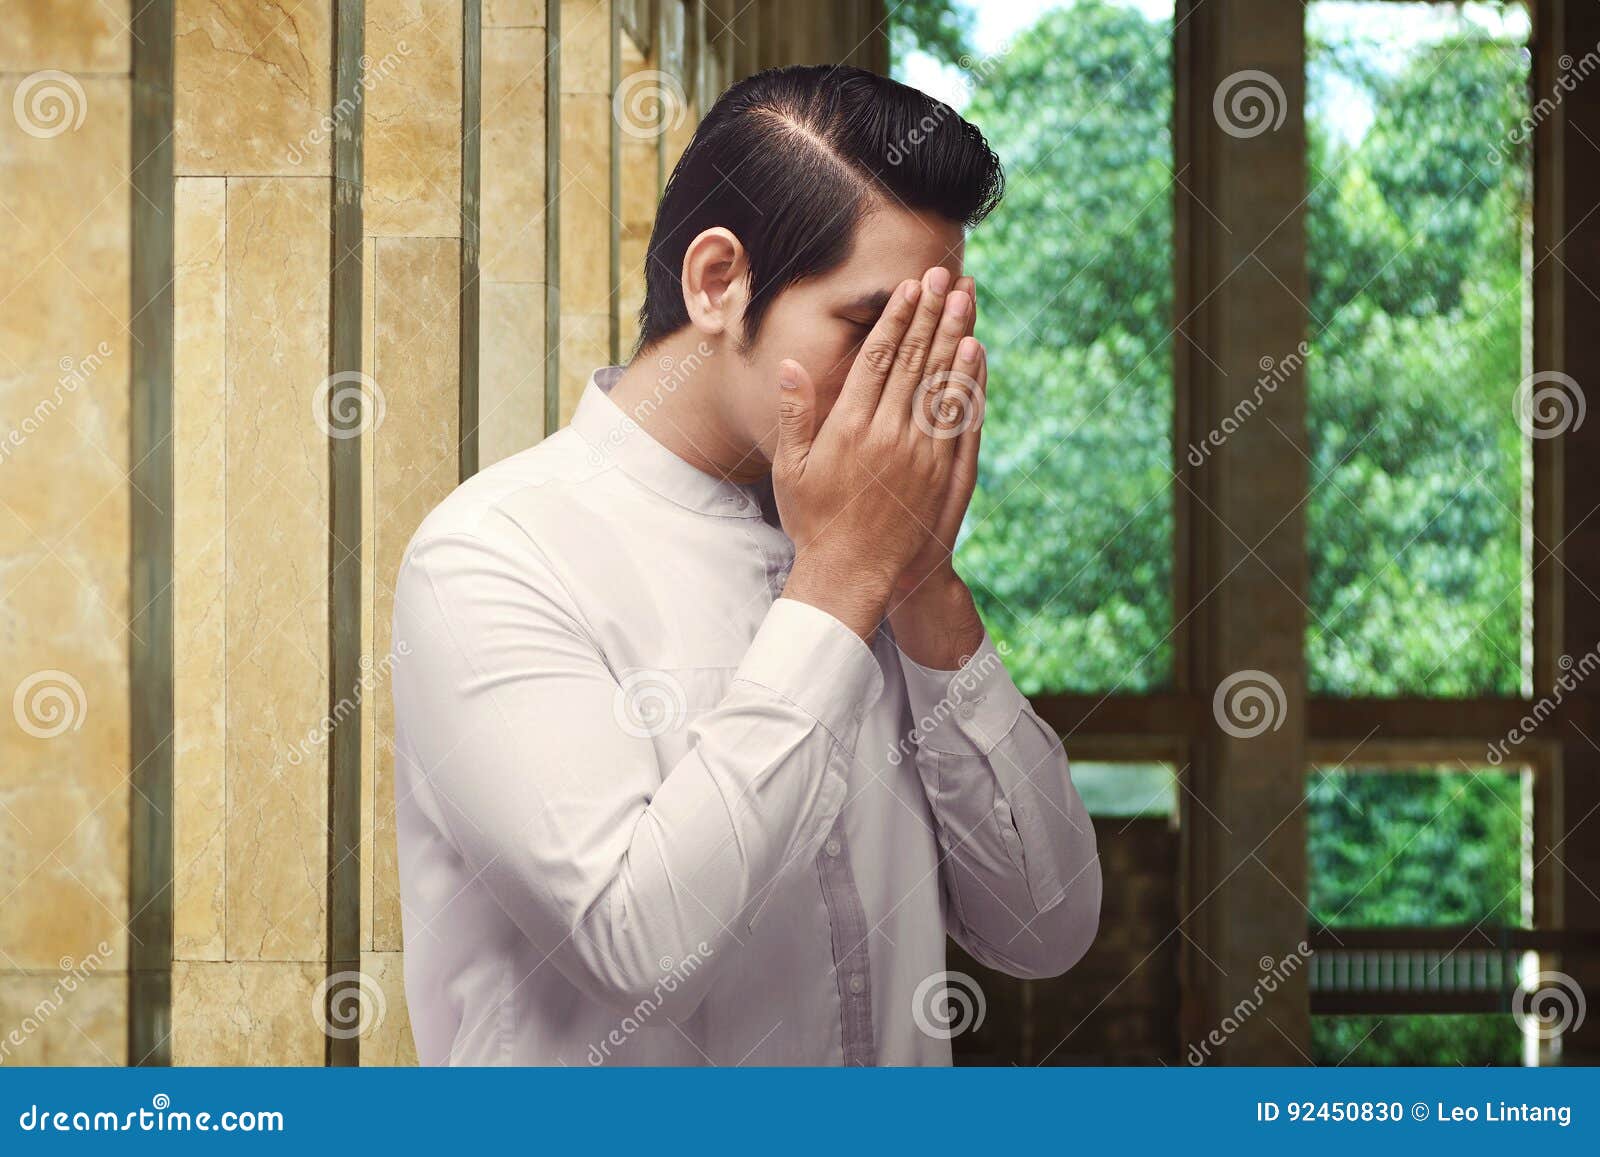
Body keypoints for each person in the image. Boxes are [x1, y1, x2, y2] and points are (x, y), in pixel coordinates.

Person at [391, 63, 1101, 1066]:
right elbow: (638, 945)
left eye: (935, 338)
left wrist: (923, 586)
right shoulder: (494, 554)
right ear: (718, 281)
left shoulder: (869, 542)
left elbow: (1045, 928)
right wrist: (840, 584)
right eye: (875, 331)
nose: (914, 389)